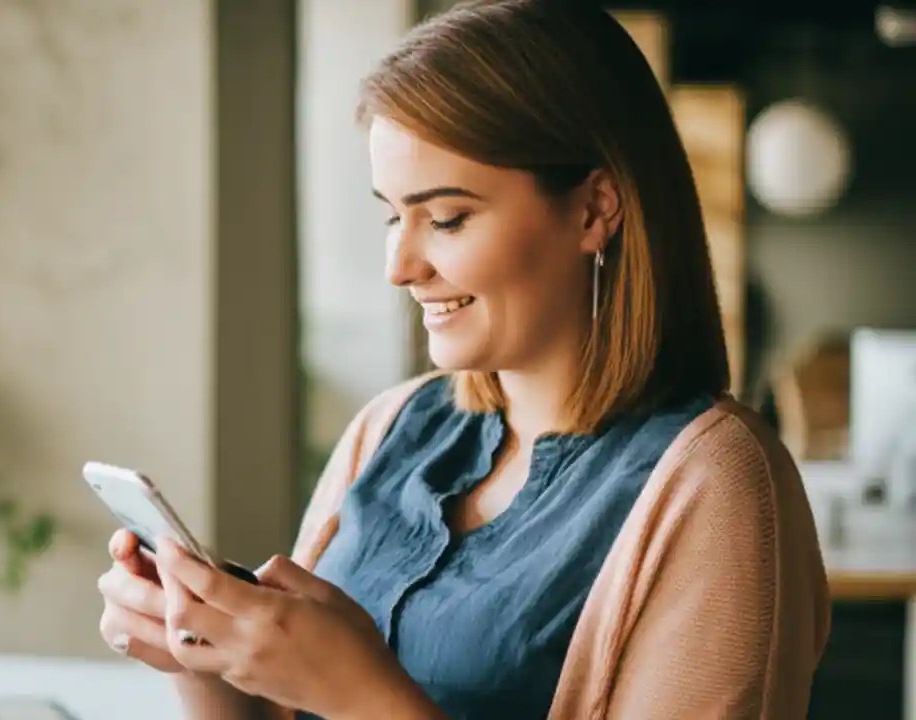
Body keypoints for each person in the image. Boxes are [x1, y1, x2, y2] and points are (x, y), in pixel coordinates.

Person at [97, 1, 830, 717]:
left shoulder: (719, 485)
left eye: (447, 218)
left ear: (594, 209)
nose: (401, 265)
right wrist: (202, 656)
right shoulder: (390, 427)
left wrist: (359, 695)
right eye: (393, 215)